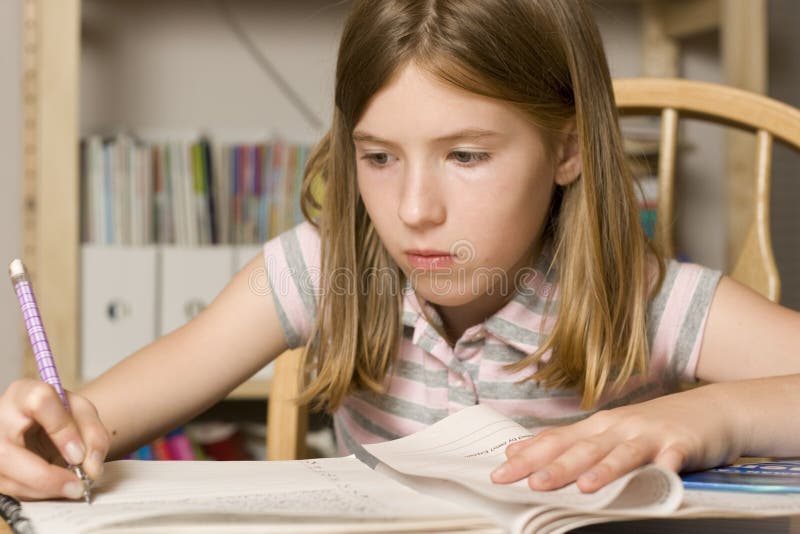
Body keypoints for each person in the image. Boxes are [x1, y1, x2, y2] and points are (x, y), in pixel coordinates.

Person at [2, 0, 799, 502]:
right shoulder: (320, 269)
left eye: (466, 156)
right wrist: (44, 435)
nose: (414, 211)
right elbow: (93, 420)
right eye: (379, 157)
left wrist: (709, 415)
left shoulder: (645, 297)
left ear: (566, 151)